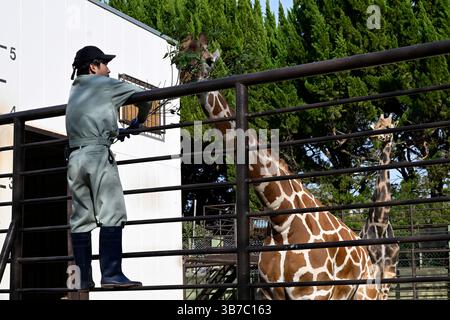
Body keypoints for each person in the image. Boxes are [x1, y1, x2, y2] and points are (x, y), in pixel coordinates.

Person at [66, 45, 150, 290]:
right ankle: (111, 273)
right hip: (97, 156)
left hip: (75, 157)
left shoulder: (75, 89)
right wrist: (139, 122)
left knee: (81, 219)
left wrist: (112, 131)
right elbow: (145, 97)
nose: (109, 69)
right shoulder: (104, 84)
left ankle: (82, 279)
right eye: (104, 64)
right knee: (113, 212)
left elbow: (92, 118)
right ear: (93, 66)